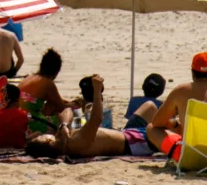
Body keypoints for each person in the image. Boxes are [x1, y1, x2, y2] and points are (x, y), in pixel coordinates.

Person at [26, 76, 158, 159]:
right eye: (41, 136)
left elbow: (66, 110)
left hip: (126, 133)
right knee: (165, 126)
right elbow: (96, 119)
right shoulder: (75, 144)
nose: (42, 134)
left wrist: (64, 125)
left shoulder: (62, 137)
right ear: (47, 141)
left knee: (150, 106)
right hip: (134, 142)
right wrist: (97, 90)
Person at [143, 53, 207, 157]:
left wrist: (175, 125)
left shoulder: (182, 91)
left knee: (151, 129)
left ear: (193, 73)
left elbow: (157, 122)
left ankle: (177, 154)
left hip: (190, 157)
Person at [18, 48, 73, 125]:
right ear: (56, 71)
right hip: (30, 123)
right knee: (67, 112)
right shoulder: (47, 83)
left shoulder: (28, 78)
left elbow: (31, 99)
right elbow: (61, 107)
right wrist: (75, 104)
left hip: (19, 119)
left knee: (51, 104)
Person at [0, 83, 30, 149]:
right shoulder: (24, 114)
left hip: (0, 147)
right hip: (19, 147)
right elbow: (26, 133)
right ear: (18, 99)